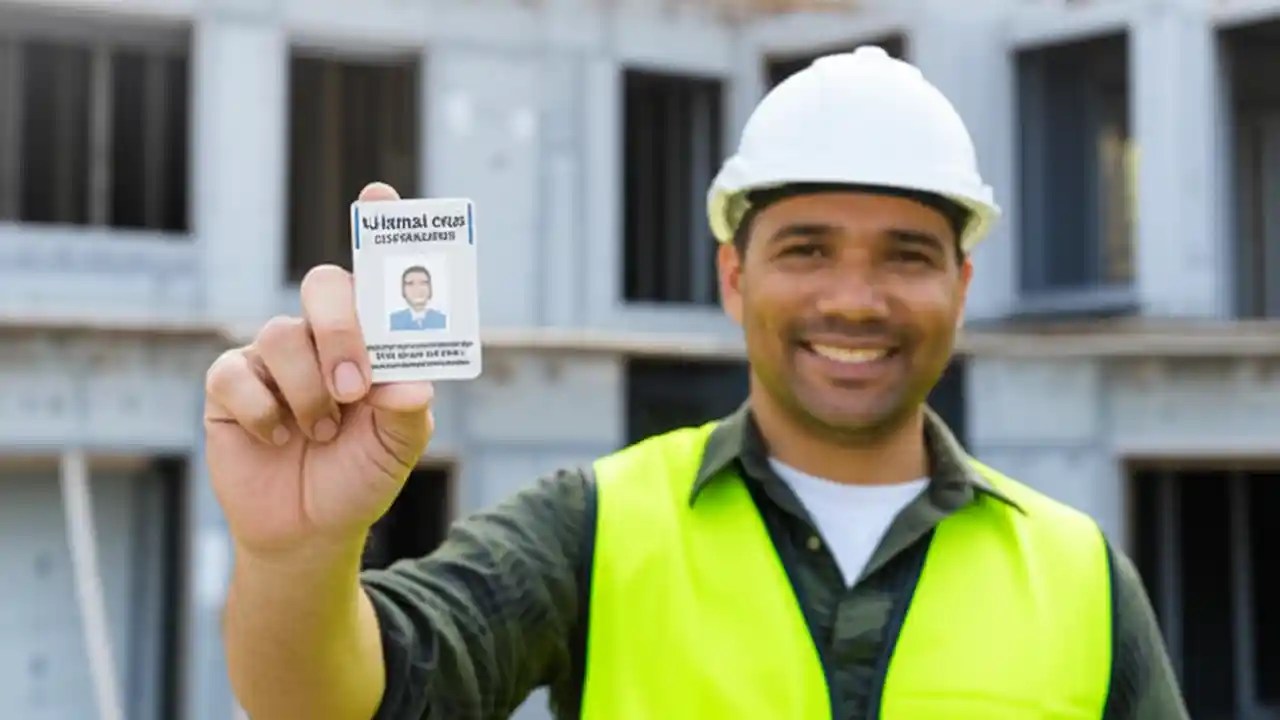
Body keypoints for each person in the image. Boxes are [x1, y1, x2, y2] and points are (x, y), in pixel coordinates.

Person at [208, 47, 1188, 719]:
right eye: (804, 248)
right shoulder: (594, 528)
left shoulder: (1080, 576)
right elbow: (343, 697)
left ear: (959, 285)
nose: (853, 300)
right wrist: (297, 554)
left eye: (904, 255)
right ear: (732, 275)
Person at [389, 265, 447, 331]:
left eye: (423, 283)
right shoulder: (392, 322)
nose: (417, 289)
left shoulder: (443, 321)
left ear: (430, 289)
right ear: (403, 290)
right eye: (410, 284)